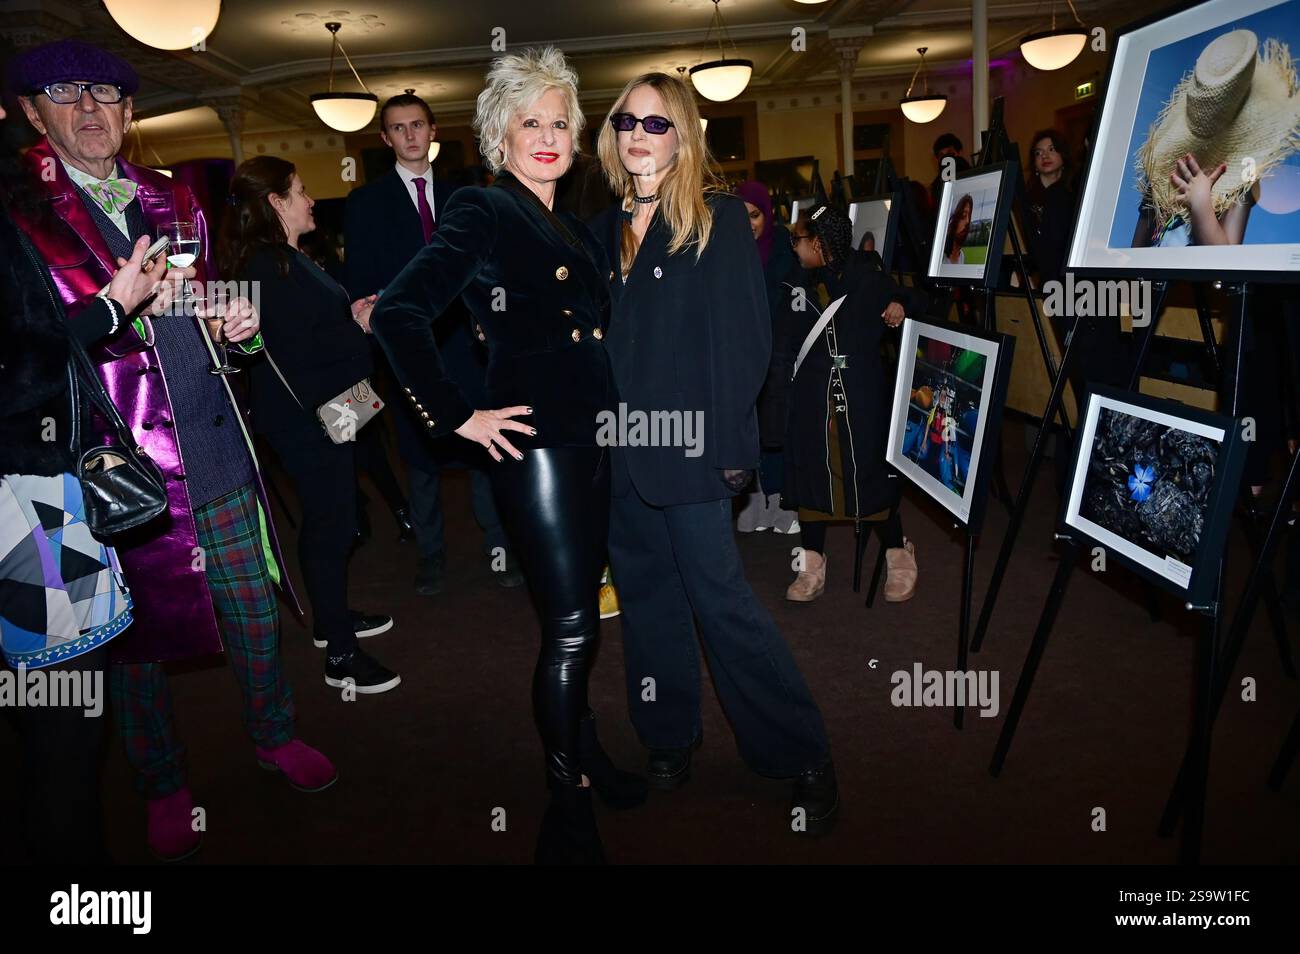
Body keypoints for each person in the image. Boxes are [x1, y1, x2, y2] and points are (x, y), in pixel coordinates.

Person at [9, 38, 336, 862]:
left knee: (255, 617)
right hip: (120, 473)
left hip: (219, 448)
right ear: (31, 112)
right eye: (67, 94)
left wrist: (243, 323)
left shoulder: (171, 193)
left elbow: (206, 293)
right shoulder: (21, 216)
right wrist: (113, 309)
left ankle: (274, 735)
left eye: (108, 96)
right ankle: (162, 782)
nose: (90, 111)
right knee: (141, 650)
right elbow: (29, 355)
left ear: (128, 112)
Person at [370, 47, 645, 865]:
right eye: (531, 121)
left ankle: (586, 751)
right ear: (499, 134)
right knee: (566, 629)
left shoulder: (570, 222)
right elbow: (398, 316)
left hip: (592, 437)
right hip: (539, 447)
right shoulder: (483, 211)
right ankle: (567, 805)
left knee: (583, 620)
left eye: (561, 120)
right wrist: (458, 416)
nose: (550, 135)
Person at [591, 71, 838, 834]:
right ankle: (668, 735)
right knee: (647, 605)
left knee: (722, 605)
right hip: (621, 455)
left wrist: (735, 451)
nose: (639, 133)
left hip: (694, 453)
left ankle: (801, 751)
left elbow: (746, 344)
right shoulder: (603, 228)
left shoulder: (718, 221)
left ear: (685, 134)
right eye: (628, 120)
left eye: (657, 123)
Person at [0, 90, 188, 862]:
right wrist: (111, 309)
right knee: (63, 739)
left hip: (39, 496)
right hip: (27, 510)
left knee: (53, 735)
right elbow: (18, 372)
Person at [221, 156, 401, 694]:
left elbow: (306, 331)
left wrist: (350, 317)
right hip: (309, 416)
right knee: (333, 523)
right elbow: (294, 352)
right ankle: (341, 655)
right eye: (300, 190)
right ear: (276, 203)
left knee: (334, 517)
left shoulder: (287, 258)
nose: (311, 199)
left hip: (334, 406)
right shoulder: (264, 264)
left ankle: (329, 621)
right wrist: (364, 326)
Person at [345, 91, 521, 593]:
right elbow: (361, 278)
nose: (409, 135)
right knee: (421, 452)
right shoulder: (365, 203)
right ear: (385, 138)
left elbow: (488, 264)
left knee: (485, 443)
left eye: (417, 125)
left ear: (433, 131)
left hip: (467, 342)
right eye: (398, 128)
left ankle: (500, 550)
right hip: (407, 346)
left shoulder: (465, 195)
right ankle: (432, 556)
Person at [782, 205, 922, 604]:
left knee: (868, 471)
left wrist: (900, 304)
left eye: (799, 240)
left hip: (861, 394)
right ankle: (811, 559)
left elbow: (920, 300)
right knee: (813, 470)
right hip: (811, 396)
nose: (794, 248)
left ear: (821, 244)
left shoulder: (867, 276)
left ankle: (897, 550)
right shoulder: (796, 284)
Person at [1131, 30, 1298, 248]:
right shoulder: (1162, 175)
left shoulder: (1240, 180)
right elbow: (1136, 252)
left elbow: (1225, 258)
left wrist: (1201, 205)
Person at [733, 179, 800, 536]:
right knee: (749, 430)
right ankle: (755, 497)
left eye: (755, 215)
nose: (749, 223)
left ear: (768, 214)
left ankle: (782, 499)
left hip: (778, 355)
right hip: (741, 356)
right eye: (741, 216)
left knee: (777, 428)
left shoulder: (785, 253)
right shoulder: (727, 252)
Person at [1024, 129, 1073, 285]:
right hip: (1034, 277)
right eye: (1038, 153)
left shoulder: (1074, 195)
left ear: (1063, 155)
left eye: (1051, 149)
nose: (1044, 156)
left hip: (1068, 279)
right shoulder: (1024, 198)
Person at [943, 194, 973, 265]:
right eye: (964, 215)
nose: (967, 221)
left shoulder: (962, 255)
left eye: (969, 216)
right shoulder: (941, 256)